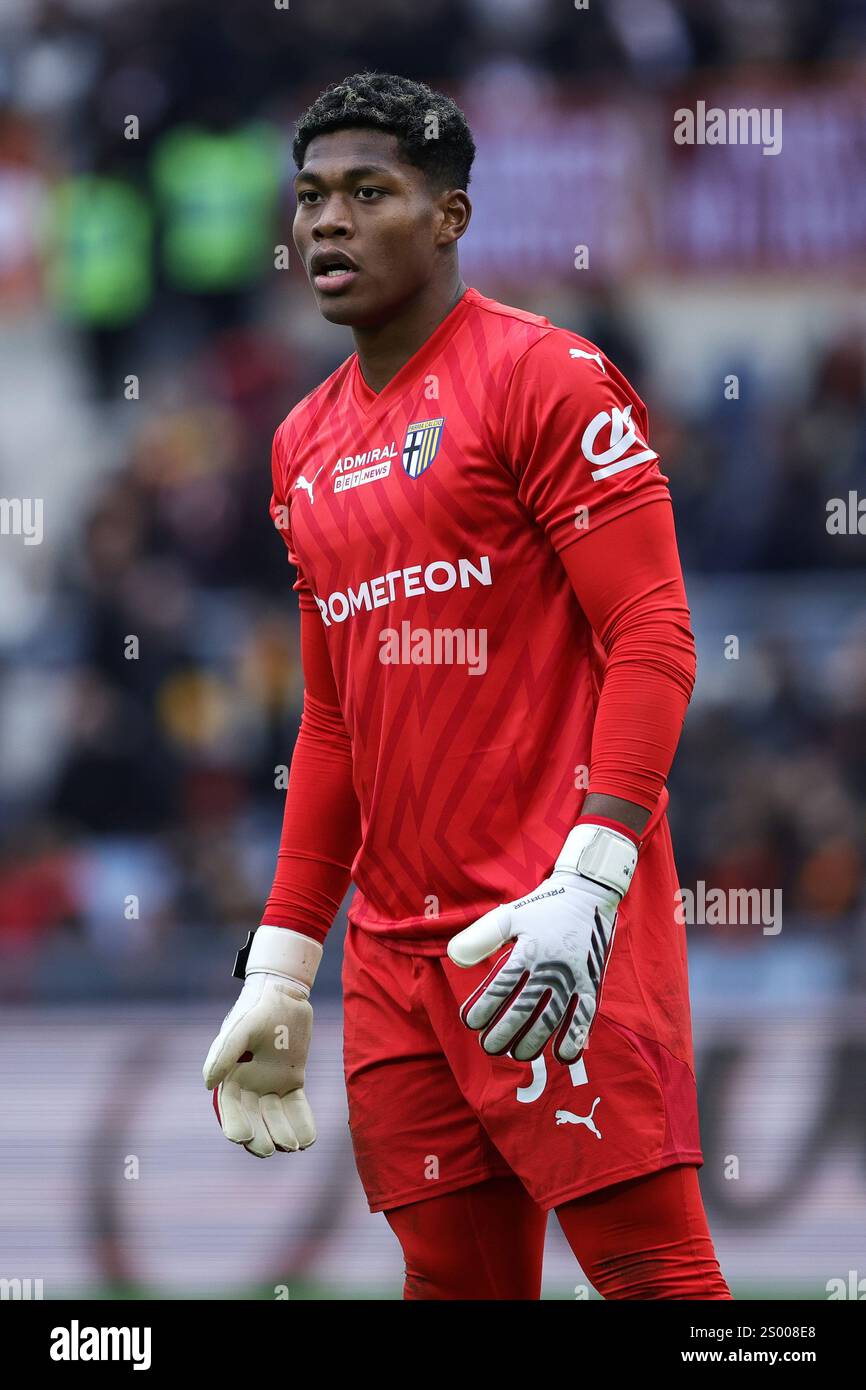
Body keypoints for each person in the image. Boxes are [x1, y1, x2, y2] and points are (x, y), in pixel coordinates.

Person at [203, 71, 731, 1301]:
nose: (325, 223)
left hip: (548, 924)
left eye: (367, 193)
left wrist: (592, 878)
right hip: (393, 957)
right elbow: (332, 717)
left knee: (654, 1275)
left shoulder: (545, 378)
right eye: (310, 198)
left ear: (448, 215)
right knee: (451, 1285)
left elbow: (653, 634)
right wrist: (283, 961)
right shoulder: (300, 446)